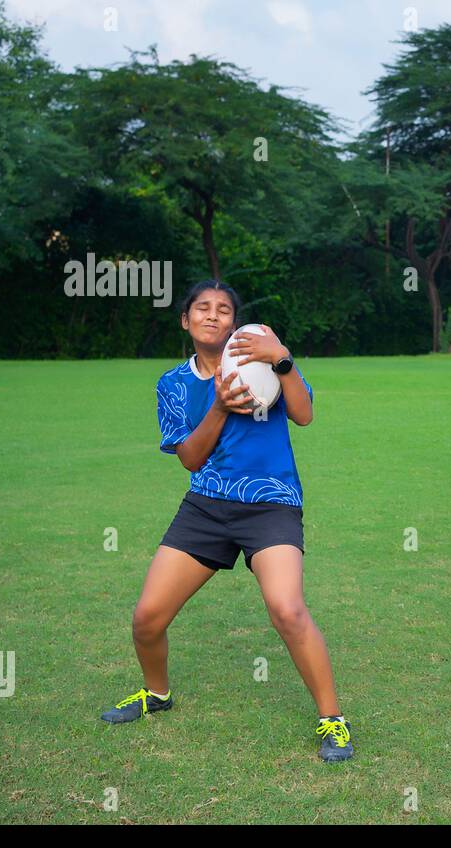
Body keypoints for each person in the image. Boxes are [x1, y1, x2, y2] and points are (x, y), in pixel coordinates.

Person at [99, 279, 353, 762]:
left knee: (287, 610)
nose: (212, 315)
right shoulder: (173, 384)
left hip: (270, 502)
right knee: (147, 618)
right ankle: (156, 693)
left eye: (223, 309)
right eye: (202, 308)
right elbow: (191, 458)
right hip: (206, 507)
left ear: (234, 322)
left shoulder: (266, 361)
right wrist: (218, 406)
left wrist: (282, 356)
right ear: (186, 320)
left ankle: (332, 720)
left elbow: (304, 415)